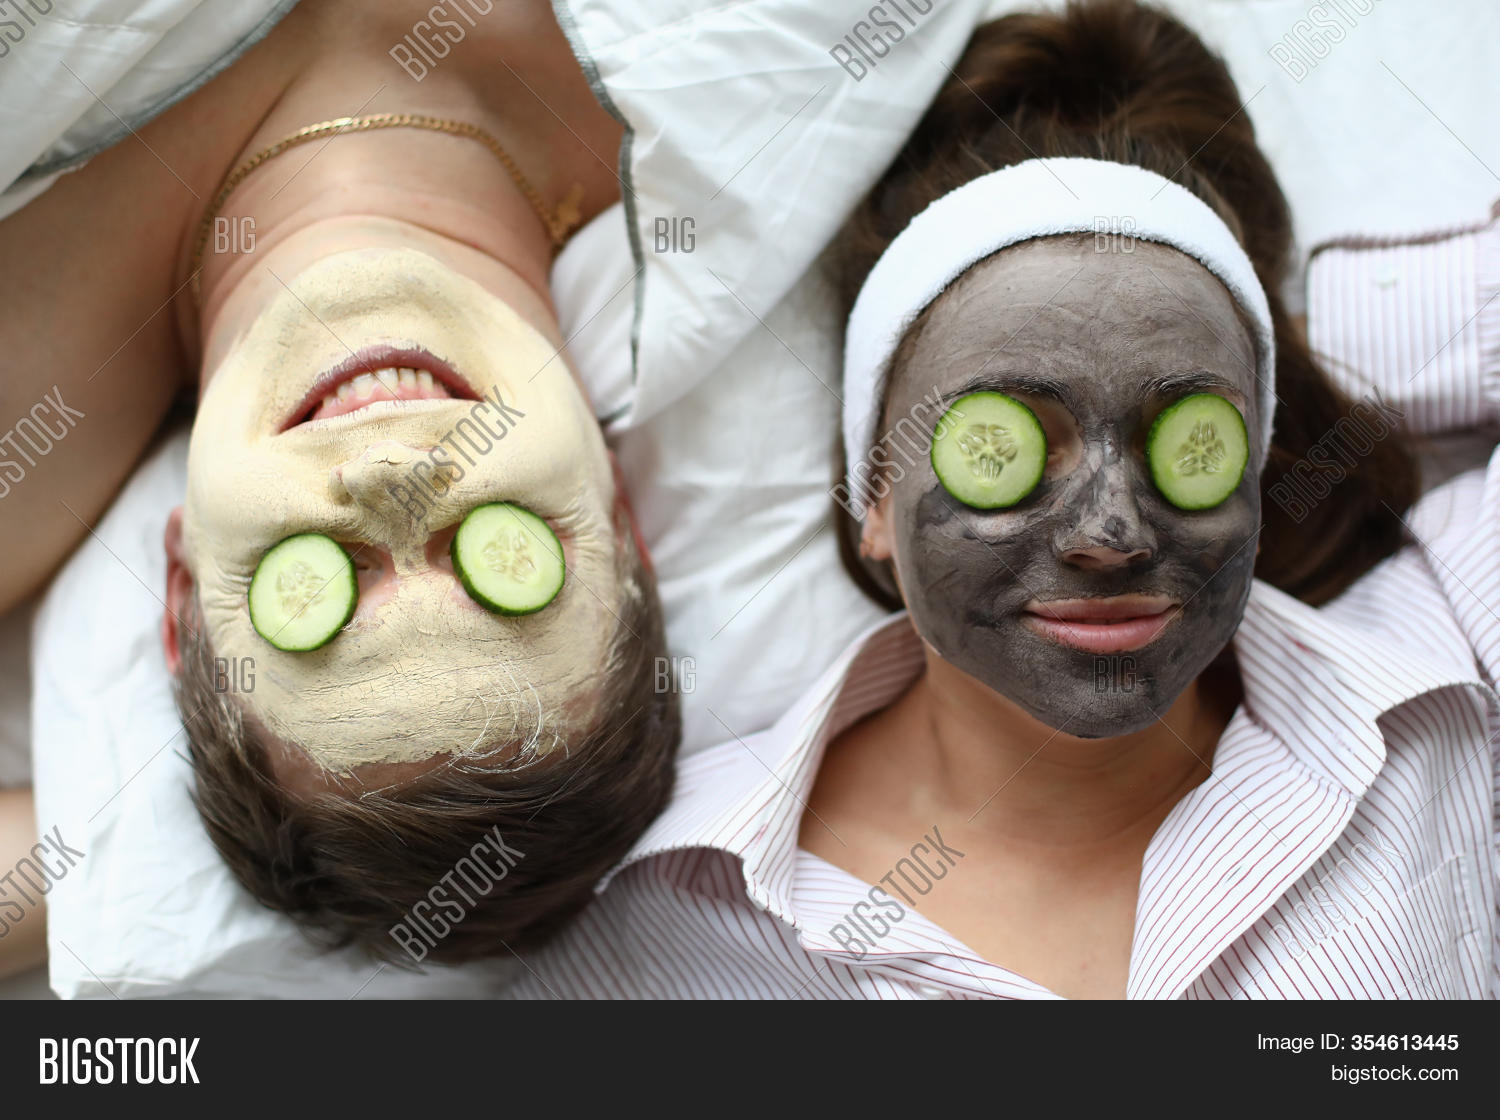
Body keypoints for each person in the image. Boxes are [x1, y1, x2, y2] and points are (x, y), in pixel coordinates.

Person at [507, 0, 1497, 998]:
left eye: (1185, 439)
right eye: (1009, 445)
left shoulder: (1456, 651)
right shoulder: (663, 922)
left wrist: (1329, 337)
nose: (1110, 535)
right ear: (878, 499)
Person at [0, 0, 678, 973]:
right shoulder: (745, 99)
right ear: (623, 518)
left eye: (315, 585)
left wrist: (94, 860)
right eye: (498, 546)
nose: (388, 476)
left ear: (182, 590)